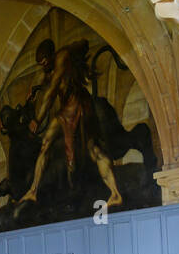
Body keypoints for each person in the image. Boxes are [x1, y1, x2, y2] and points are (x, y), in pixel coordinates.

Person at [19, 38, 122, 207]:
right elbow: (49, 85)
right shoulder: (52, 68)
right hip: (66, 110)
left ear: (52, 56)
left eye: (45, 62)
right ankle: (33, 191)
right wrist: (35, 91)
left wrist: (38, 119)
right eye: (40, 64)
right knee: (45, 144)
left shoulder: (62, 57)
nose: (44, 66)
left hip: (78, 105)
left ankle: (115, 193)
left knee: (92, 148)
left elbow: (52, 91)